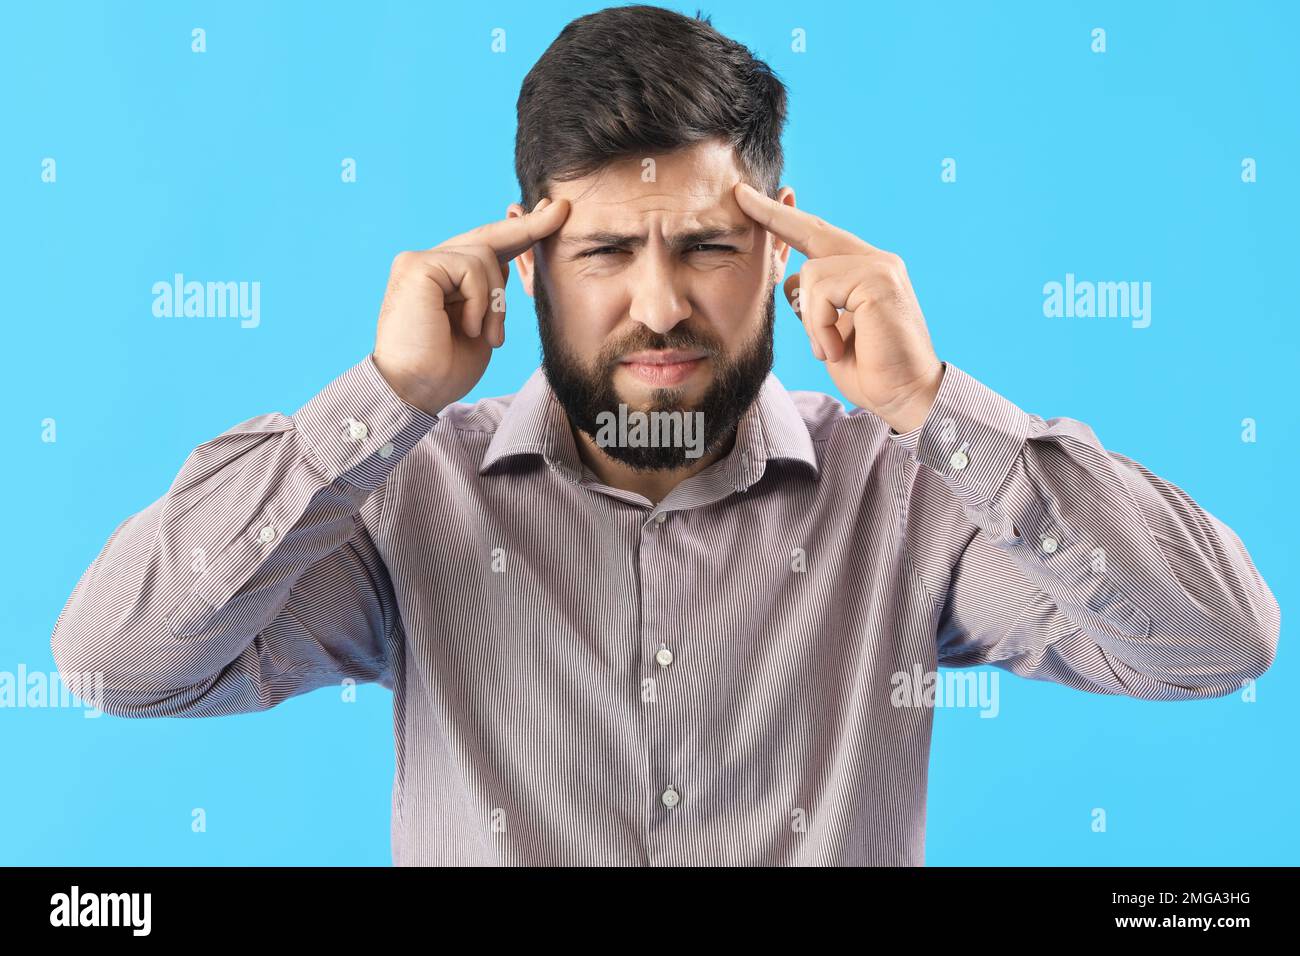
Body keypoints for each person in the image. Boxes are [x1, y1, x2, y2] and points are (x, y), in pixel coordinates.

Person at [51, 5, 1279, 866]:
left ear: (782, 242)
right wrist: (384, 393)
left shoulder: (904, 498)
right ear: (525, 262)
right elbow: (119, 663)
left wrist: (929, 401)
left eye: (704, 244)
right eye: (600, 253)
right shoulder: (405, 497)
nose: (657, 305)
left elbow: (1213, 641)